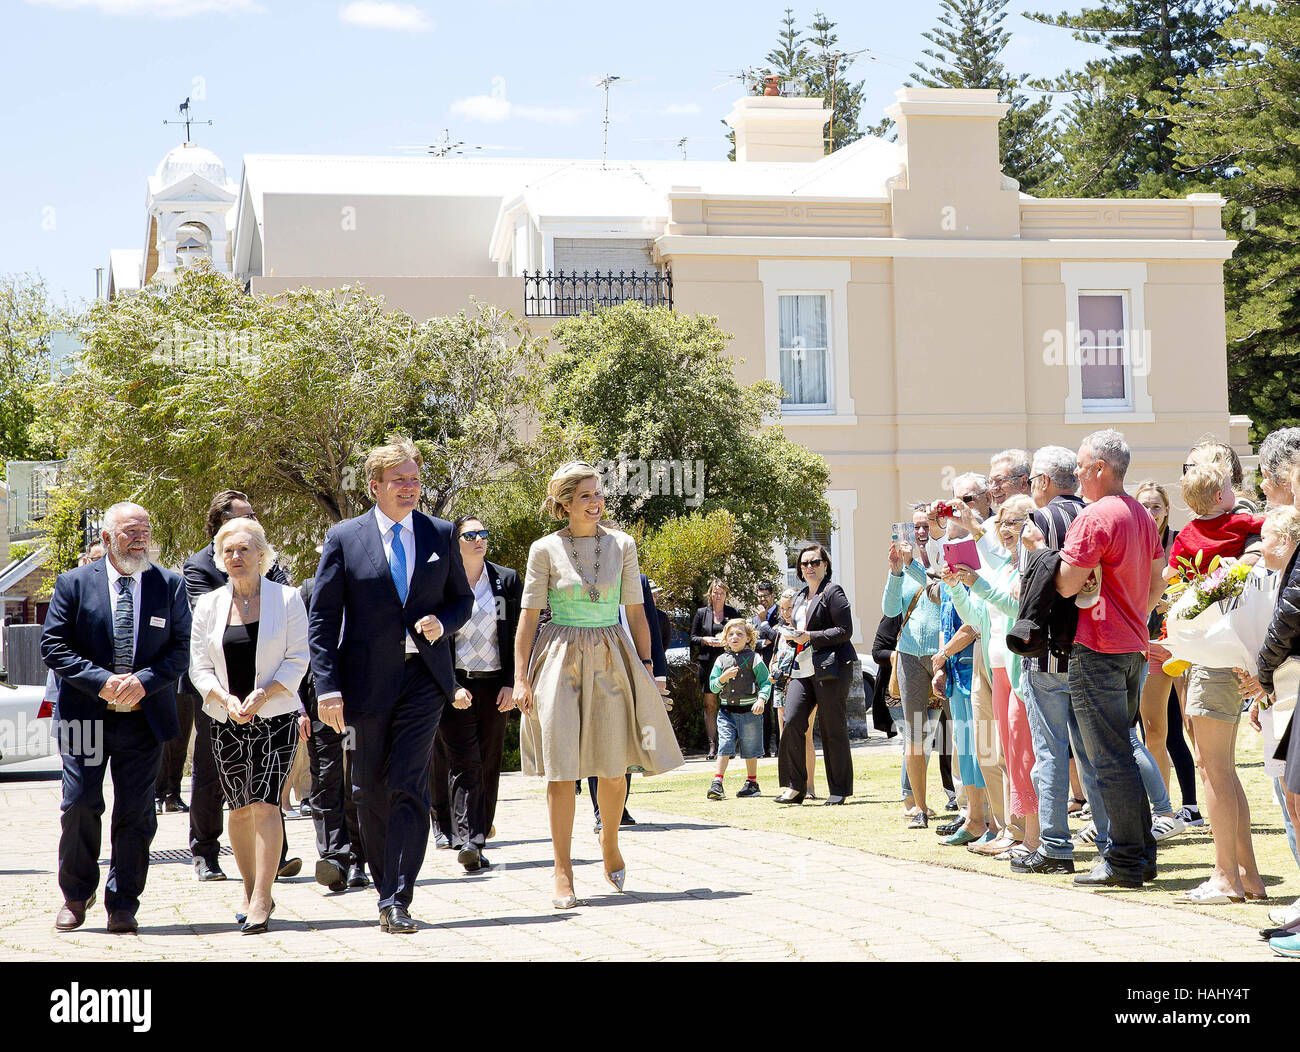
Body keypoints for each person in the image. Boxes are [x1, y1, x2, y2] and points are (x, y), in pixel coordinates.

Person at [309, 435, 474, 934]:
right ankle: (383, 884)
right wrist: (327, 688)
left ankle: (397, 896)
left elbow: (460, 601)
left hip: (424, 679)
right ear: (375, 485)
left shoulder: (441, 533)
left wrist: (441, 623)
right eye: (399, 480)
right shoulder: (344, 537)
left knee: (408, 782)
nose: (410, 487)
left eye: (415, 479)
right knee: (367, 787)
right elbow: (322, 619)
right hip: (363, 683)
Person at [513, 462, 683, 908]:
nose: (595, 501)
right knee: (562, 768)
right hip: (558, 656)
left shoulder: (622, 545)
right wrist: (520, 677)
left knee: (613, 764)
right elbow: (528, 618)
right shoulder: (543, 549)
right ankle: (562, 872)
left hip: (612, 653)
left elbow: (637, 611)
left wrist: (647, 666)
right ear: (565, 503)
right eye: (585, 495)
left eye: (598, 493)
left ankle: (610, 843)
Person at [43, 502, 193, 934]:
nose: (140, 537)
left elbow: (180, 649)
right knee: (79, 805)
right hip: (85, 717)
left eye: (145, 529)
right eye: (130, 531)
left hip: (143, 718)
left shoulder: (169, 585)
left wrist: (144, 680)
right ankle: (76, 894)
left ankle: (123, 902)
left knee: (136, 812)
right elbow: (54, 647)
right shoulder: (72, 584)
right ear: (107, 538)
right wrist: (102, 681)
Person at [188, 518, 311, 934]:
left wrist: (265, 693)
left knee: (265, 803)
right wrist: (224, 699)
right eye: (228, 551)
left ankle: (262, 897)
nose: (236, 557)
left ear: (261, 554)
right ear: (220, 560)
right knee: (238, 810)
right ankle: (248, 886)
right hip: (227, 718)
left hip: (275, 714)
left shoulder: (288, 598)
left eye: (244, 550)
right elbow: (199, 667)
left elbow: (299, 658)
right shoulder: (209, 605)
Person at [1055, 429, 1164, 889]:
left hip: (1097, 646)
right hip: (1131, 646)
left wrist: (1048, 560)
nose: (1077, 475)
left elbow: (1064, 583)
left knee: (1109, 758)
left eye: (1081, 467)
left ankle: (1123, 860)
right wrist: (1135, 615)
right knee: (1122, 749)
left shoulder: (1095, 515)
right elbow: (1160, 578)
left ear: (1100, 468)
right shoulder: (1139, 512)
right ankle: (1140, 856)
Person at [1167, 461, 1266, 905]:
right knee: (1220, 769)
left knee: (1213, 769)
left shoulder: (1188, 534)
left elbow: (1172, 576)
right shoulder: (1242, 523)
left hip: (1212, 655)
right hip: (1233, 649)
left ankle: (1226, 878)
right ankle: (1247, 877)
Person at [1007, 445, 1089, 874]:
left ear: (1042, 481)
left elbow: (1027, 590)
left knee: (1051, 753)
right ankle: (1112, 837)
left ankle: (1055, 845)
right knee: (1092, 754)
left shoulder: (1038, 522)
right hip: (1090, 648)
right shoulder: (1092, 515)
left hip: (1047, 653)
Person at [429, 515, 521, 873]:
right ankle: (468, 839)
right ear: (456, 541)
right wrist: (448, 684)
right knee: (463, 760)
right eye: (471, 535)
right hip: (456, 683)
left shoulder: (506, 580)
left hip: (496, 683)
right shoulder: (442, 580)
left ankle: (477, 837)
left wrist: (514, 682)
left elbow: (518, 633)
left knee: (489, 760)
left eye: (484, 533)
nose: (479, 539)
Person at [1135, 480, 1200, 831]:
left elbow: (1193, 588)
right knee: (1155, 729)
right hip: (1145, 646)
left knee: (1188, 726)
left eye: (1156, 506)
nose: (1150, 512)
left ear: (1166, 510)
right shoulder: (1132, 543)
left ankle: (1188, 806)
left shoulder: (1178, 543)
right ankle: (1163, 809)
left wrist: (1170, 602)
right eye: (1144, 505)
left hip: (1182, 644)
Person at [300, 575, 368, 893]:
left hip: (362, 697)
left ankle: (358, 859)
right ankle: (333, 859)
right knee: (326, 779)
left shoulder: (369, 585)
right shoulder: (308, 592)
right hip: (320, 699)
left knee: (359, 778)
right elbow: (298, 651)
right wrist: (299, 707)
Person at [775, 543, 857, 806]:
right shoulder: (799, 597)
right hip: (803, 669)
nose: (809, 567)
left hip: (832, 667)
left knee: (833, 728)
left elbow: (845, 630)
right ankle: (795, 786)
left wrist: (809, 636)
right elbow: (799, 630)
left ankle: (839, 789)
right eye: (804, 563)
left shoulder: (832, 592)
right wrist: (790, 636)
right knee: (791, 721)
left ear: (825, 565)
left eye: (815, 562)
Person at [882, 533, 943, 824]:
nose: (920, 533)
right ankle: (919, 807)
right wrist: (896, 571)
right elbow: (890, 610)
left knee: (963, 733)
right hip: (909, 657)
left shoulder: (945, 559)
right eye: (914, 527)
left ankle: (972, 808)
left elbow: (943, 593)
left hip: (946, 654)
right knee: (916, 735)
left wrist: (915, 567)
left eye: (925, 526)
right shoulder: (904, 570)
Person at [707, 619, 772, 800]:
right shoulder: (721, 660)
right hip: (726, 712)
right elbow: (713, 687)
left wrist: (761, 699)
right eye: (731, 634)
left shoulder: (755, 658)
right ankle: (717, 783)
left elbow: (765, 682)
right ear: (725, 638)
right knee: (725, 745)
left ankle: (752, 783)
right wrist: (723, 678)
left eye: (740, 634)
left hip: (750, 712)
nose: (735, 637)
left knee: (750, 749)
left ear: (749, 638)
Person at [770, 588, 820, 792]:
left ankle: (809, 786)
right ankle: (791, 784)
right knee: (785, 736)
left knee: (805, 735)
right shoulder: (780, 632)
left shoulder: (805, 632)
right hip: (781, 688)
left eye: (789, 607)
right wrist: (773, 669)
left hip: (802, 686)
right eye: (783, 608)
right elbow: (775, 657)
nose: (786, 613)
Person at [692, 580, 740, 760]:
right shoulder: (701, 613)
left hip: (728, 662)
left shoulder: (732, 613)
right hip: (707, 663)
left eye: (721, 593)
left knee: (730, 702)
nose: (717, 596)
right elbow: (693, 637)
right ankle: (713, 745)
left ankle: (729, 745)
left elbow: (740, 634)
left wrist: (726, 641)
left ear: (726, 595)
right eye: (714, 592)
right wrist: (705, 640)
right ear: (709, 594)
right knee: (710, 705)